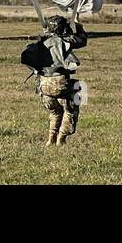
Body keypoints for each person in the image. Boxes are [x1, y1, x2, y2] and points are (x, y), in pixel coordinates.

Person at [36, 15, 87, 146]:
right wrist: (77, 26)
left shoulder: (42, 41)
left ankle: (50, 139)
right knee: (74, 102)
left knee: (55, 111)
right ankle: (62, 138)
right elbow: (82, 40)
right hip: (60, 83)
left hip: (43, 85)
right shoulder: (66, 40)